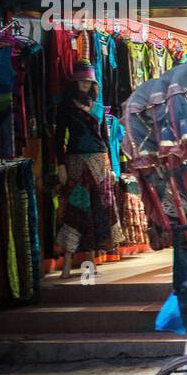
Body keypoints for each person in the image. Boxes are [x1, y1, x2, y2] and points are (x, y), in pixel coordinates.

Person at [54, 61, 124, 278]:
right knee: (75, 208)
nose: (85, 83)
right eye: (82, 79)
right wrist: (61, 165)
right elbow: (58, 139)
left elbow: (104, 138)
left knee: (97, 208)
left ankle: (92, 261)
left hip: (99, 160)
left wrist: (112, 166)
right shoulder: (66, 107)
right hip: (76, 159)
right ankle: (67, 262)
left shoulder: (99, 108)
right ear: (76, 81)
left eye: (89, 80)